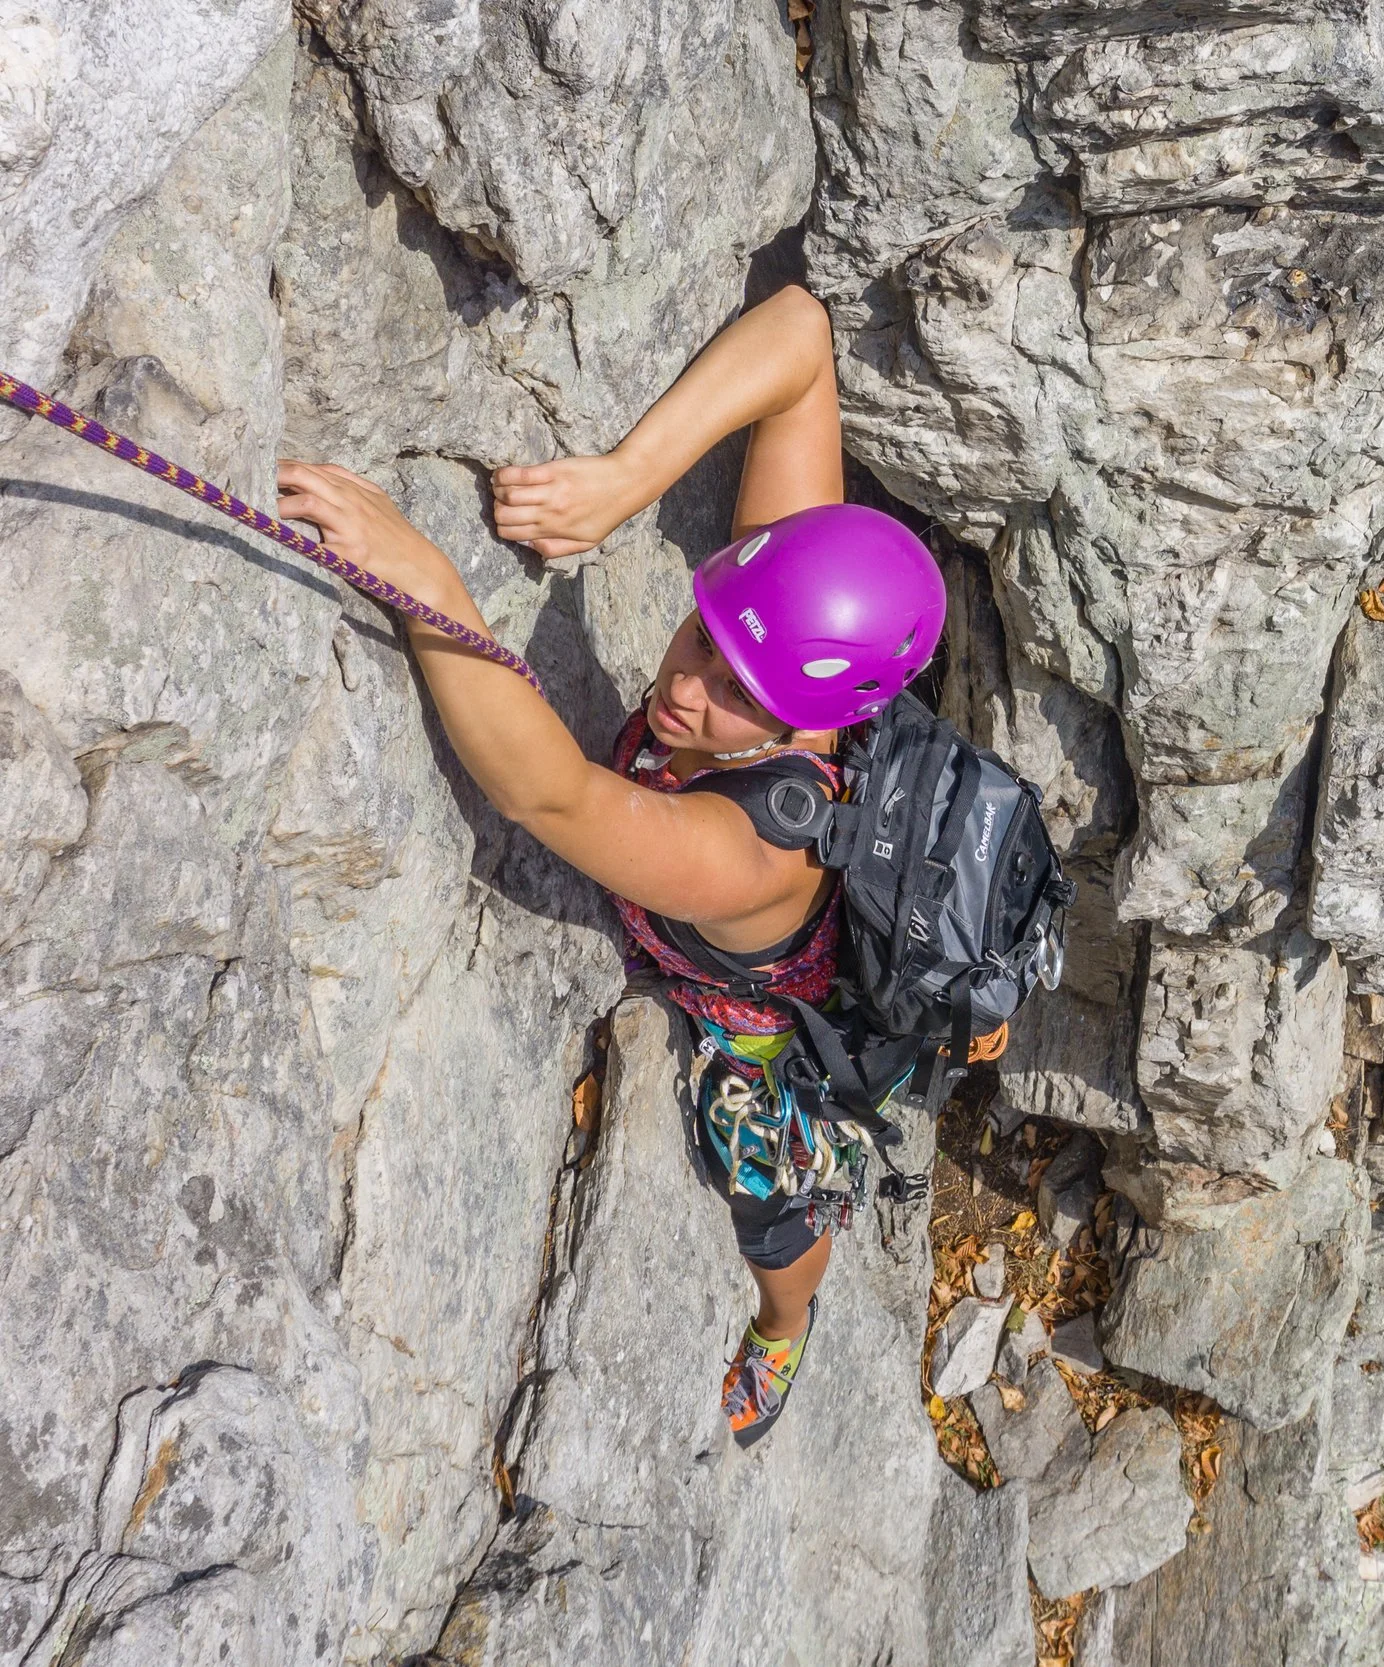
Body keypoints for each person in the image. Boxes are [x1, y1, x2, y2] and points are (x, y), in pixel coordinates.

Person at [274, 285, 945, 1446]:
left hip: (768, 1023)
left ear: (800, 720)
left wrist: (428, 582)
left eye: (738, 696)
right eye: (701, 639)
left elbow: (554, 793)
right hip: (776, 908)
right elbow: (799, 336)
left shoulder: (747, 847)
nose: (686, 689)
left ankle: (788, 1320)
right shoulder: (782, 635)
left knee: (768, 1194)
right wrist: (629, 478)